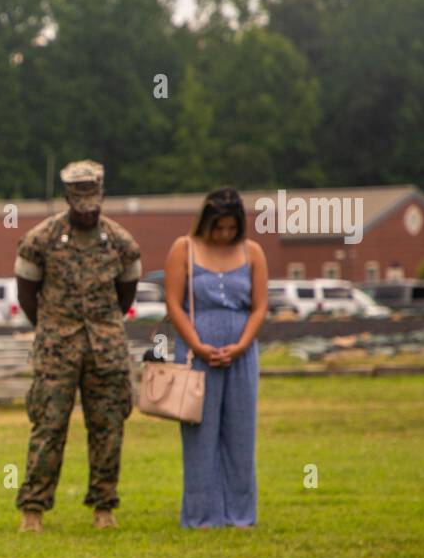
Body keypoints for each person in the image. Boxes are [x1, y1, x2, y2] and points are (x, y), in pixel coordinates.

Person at [14, 160, 142, 532]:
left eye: (93, 205)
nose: (86, 212)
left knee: (108, 427)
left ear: (101, 198)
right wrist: (52, 327)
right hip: (57, 347)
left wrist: (103, 325)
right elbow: (27, 293)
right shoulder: (41, 239)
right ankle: (33, 509)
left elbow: (126, 295)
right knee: (48, 425)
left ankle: (104, 506)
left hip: (107, 349)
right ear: (69, 200)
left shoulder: (121, 242)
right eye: (79, 204)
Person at [163, 187, 268, 528]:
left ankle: (240, 514)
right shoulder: (183, 248)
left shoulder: (253, 252)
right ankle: (201, 515)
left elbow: (259, 306)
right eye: (218, 227)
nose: (224, 234)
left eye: (230, 228)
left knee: (241, 433)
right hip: (196, 354)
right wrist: (196, 344)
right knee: (200, 434)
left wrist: (240, 345)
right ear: (205, 222)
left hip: (241, 354)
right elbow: (174, 304)